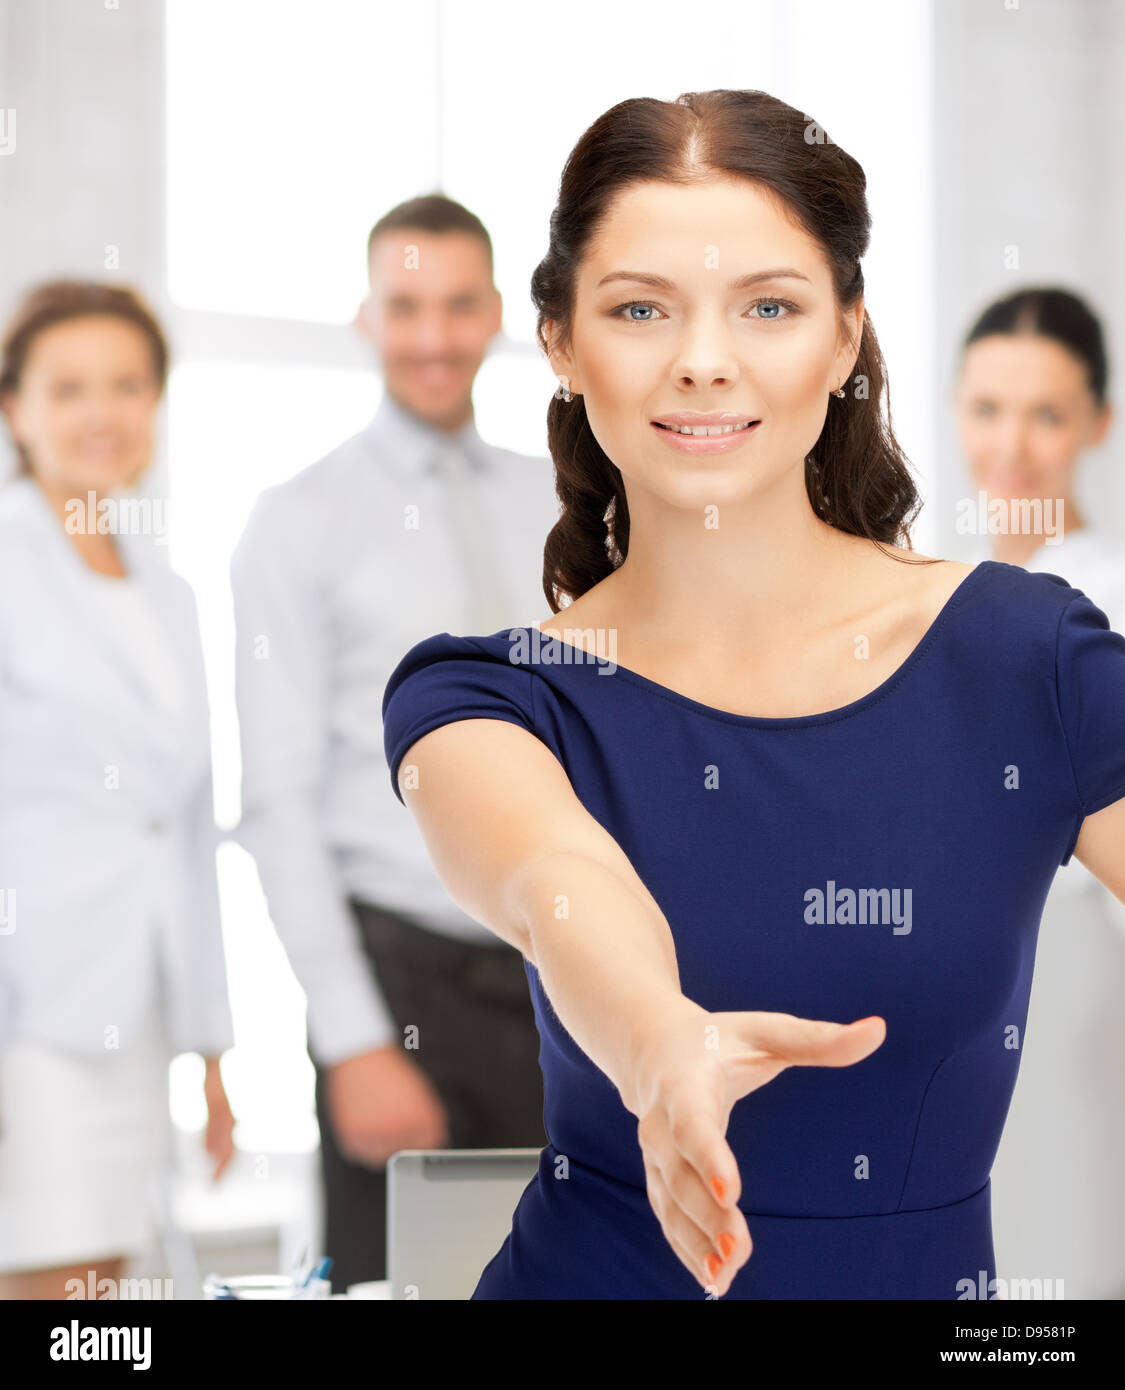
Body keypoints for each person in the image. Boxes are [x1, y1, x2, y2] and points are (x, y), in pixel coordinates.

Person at [381, 89, 1125, 1300]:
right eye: (639, 310)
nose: (704, 361)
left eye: (768, 306)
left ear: (844, 338)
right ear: (563, 341)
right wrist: (662, 1046)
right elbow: (556, 886)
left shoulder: (1022, 655)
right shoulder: (489, 696)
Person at [232, 196, 558, 1292]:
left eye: (459, 304)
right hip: (396, 972)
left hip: (556, 965)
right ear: (365, 318)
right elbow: (277, 798)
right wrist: (354, 1038)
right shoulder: (296, 519)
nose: (433, 335)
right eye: (406, 306)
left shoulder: (561, 502)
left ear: (496, 314)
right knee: (396, 1288)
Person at [0, 280, 235, 1300]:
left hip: (132, 1006)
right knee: (44, 1279)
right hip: (25, 1007)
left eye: (128, 385)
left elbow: (182, 829)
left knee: (102, 1279)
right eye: (70, 387)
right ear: (16, 408)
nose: (103, 412)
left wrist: (212, 1053)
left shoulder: (166, 589)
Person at [954, 286, 1125, 1299]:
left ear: (1097, 424)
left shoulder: (1108, 598)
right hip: (952, 998)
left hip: (1077, 989)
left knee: (1069, 1254)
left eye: (1047, 414)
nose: (1011, 445)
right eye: (986, 409)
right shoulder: (925, 579)